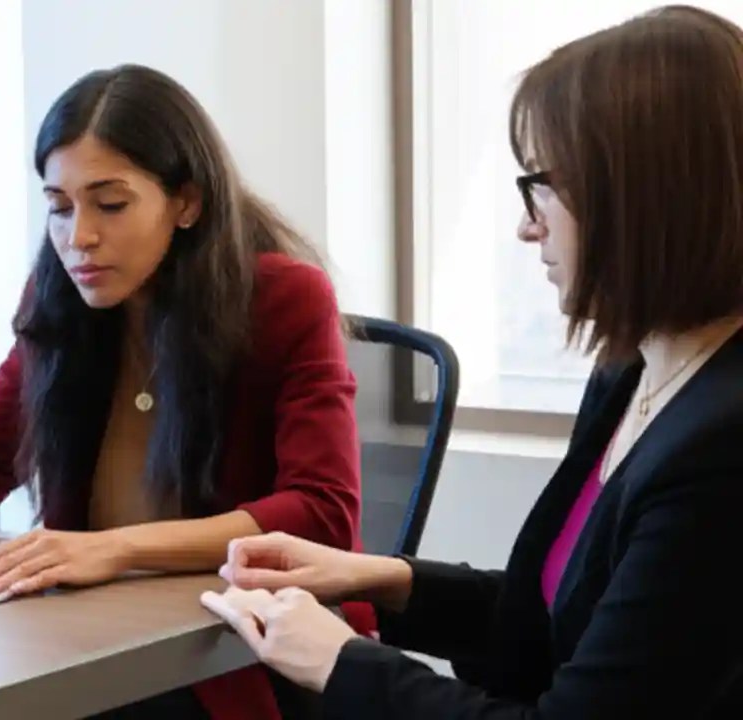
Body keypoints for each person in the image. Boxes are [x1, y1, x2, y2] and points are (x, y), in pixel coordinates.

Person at [0, 64, 368, 719]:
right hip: (94, 639)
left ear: (187, 203)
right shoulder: (60, 298)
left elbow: (320, 512)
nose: (78, 237)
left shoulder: (284, 299)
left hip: (249, 654)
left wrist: (112, 548)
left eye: (110, 204)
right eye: (58, 206)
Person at [202, 6, 743, 719]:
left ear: (641, 195)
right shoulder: (635, 371)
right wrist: (375, 578)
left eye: (544, 188)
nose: (527, 226)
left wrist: (338, 660)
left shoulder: (721, 445)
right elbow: (551, 617)